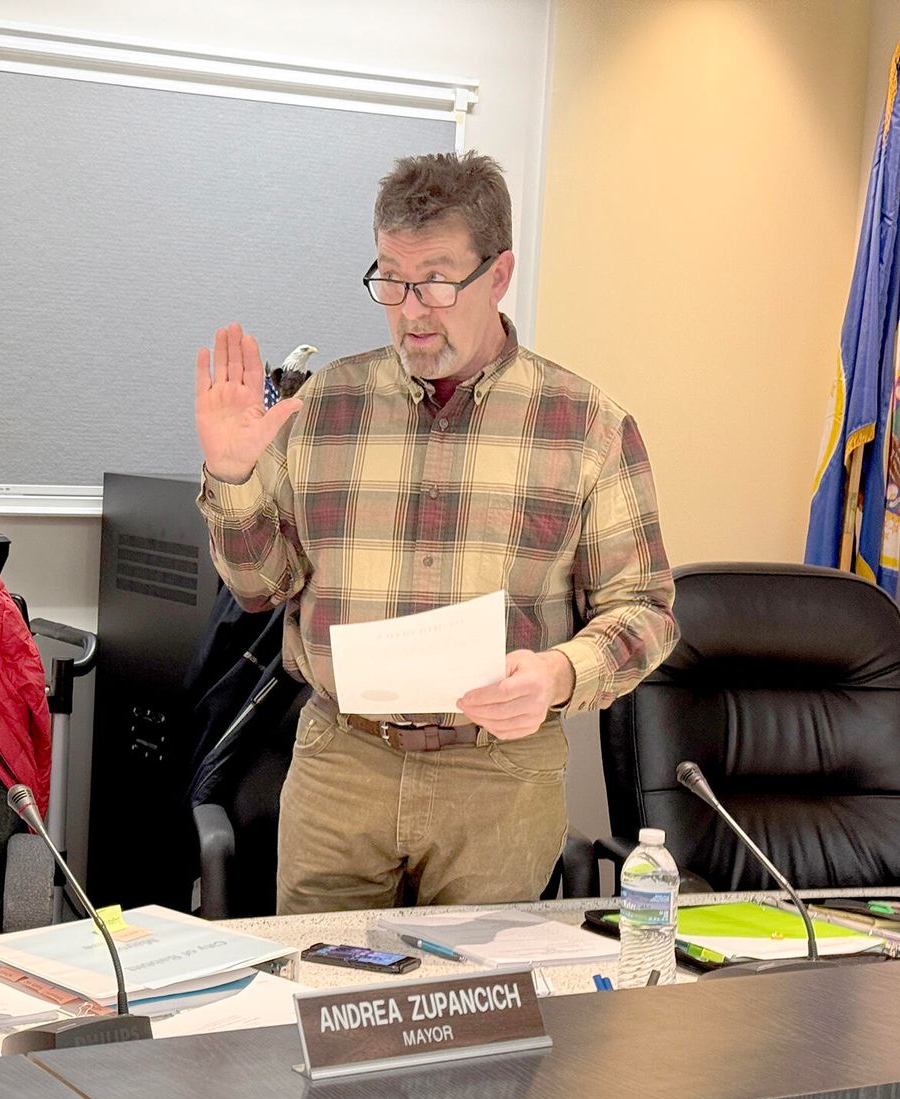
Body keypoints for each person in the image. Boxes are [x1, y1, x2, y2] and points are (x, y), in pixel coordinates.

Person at [194, 151, 677, 913]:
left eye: (437, 281)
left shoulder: (587, 424)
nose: (411, 310)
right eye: (391, 279)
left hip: (500, 774)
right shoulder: (322, 407)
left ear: (499, 273)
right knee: (323, 979)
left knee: (484, 987)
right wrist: (232, 478)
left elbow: (644, 609)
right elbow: (259, 589)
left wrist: (559, 673)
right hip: (341, 762)